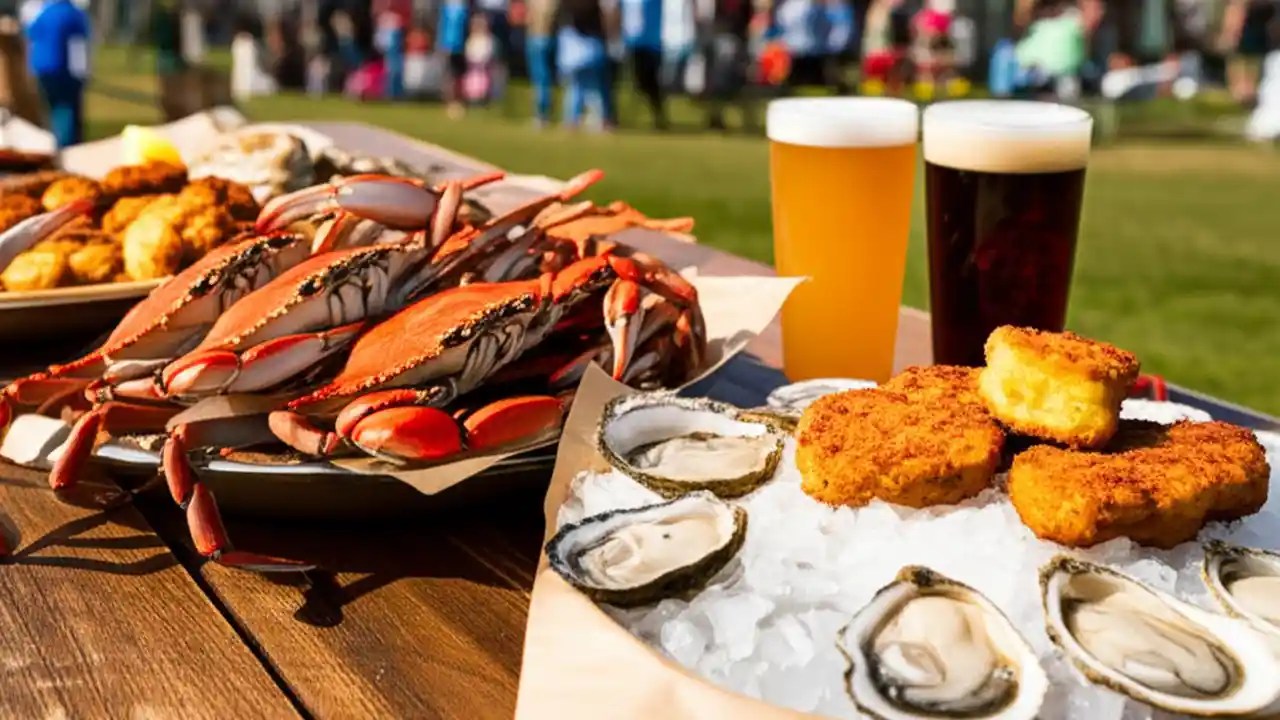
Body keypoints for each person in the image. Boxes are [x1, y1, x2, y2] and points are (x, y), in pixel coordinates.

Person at [22, 0, 89, 148]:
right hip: (66, 73)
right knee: (65, 113)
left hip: (42, 71)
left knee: (52, 112)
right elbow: (80, 45)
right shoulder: (74, 13)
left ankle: (56, 146)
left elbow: (30, 35)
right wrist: (83, 73)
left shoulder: (42, 12)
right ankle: (65, 151)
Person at [557, 0, 616, 131]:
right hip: (590, 43)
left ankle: (573, 119)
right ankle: (601, 119)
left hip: (575, 45)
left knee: (577, 86)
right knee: (595, 86)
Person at [704, 0, 754, 130]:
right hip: (726, 39)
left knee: (732, 83)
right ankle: (717, 117)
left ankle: (720, 117)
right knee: (724, 84)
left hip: (733, 40)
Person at [621, 0, 667, 128]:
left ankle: (658, 114)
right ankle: (653, 112)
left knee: (652, 82)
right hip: (633, 43)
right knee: (639, 80)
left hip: (653, 43)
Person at [438, 0, 472, 118]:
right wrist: (442, 44)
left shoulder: (464, 8)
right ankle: (450, 102)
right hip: (449, 45)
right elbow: (442, 27)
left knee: (459, 76)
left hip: (461, 46)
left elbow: (466, 27)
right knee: (450, 75)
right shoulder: (447, 8)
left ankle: (459, 101)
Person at [526, 0, 557, 125]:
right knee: (543, 77)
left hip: (538, 38)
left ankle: (542, 114)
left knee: (541, 78)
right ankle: (542, 113)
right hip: (545, 38)